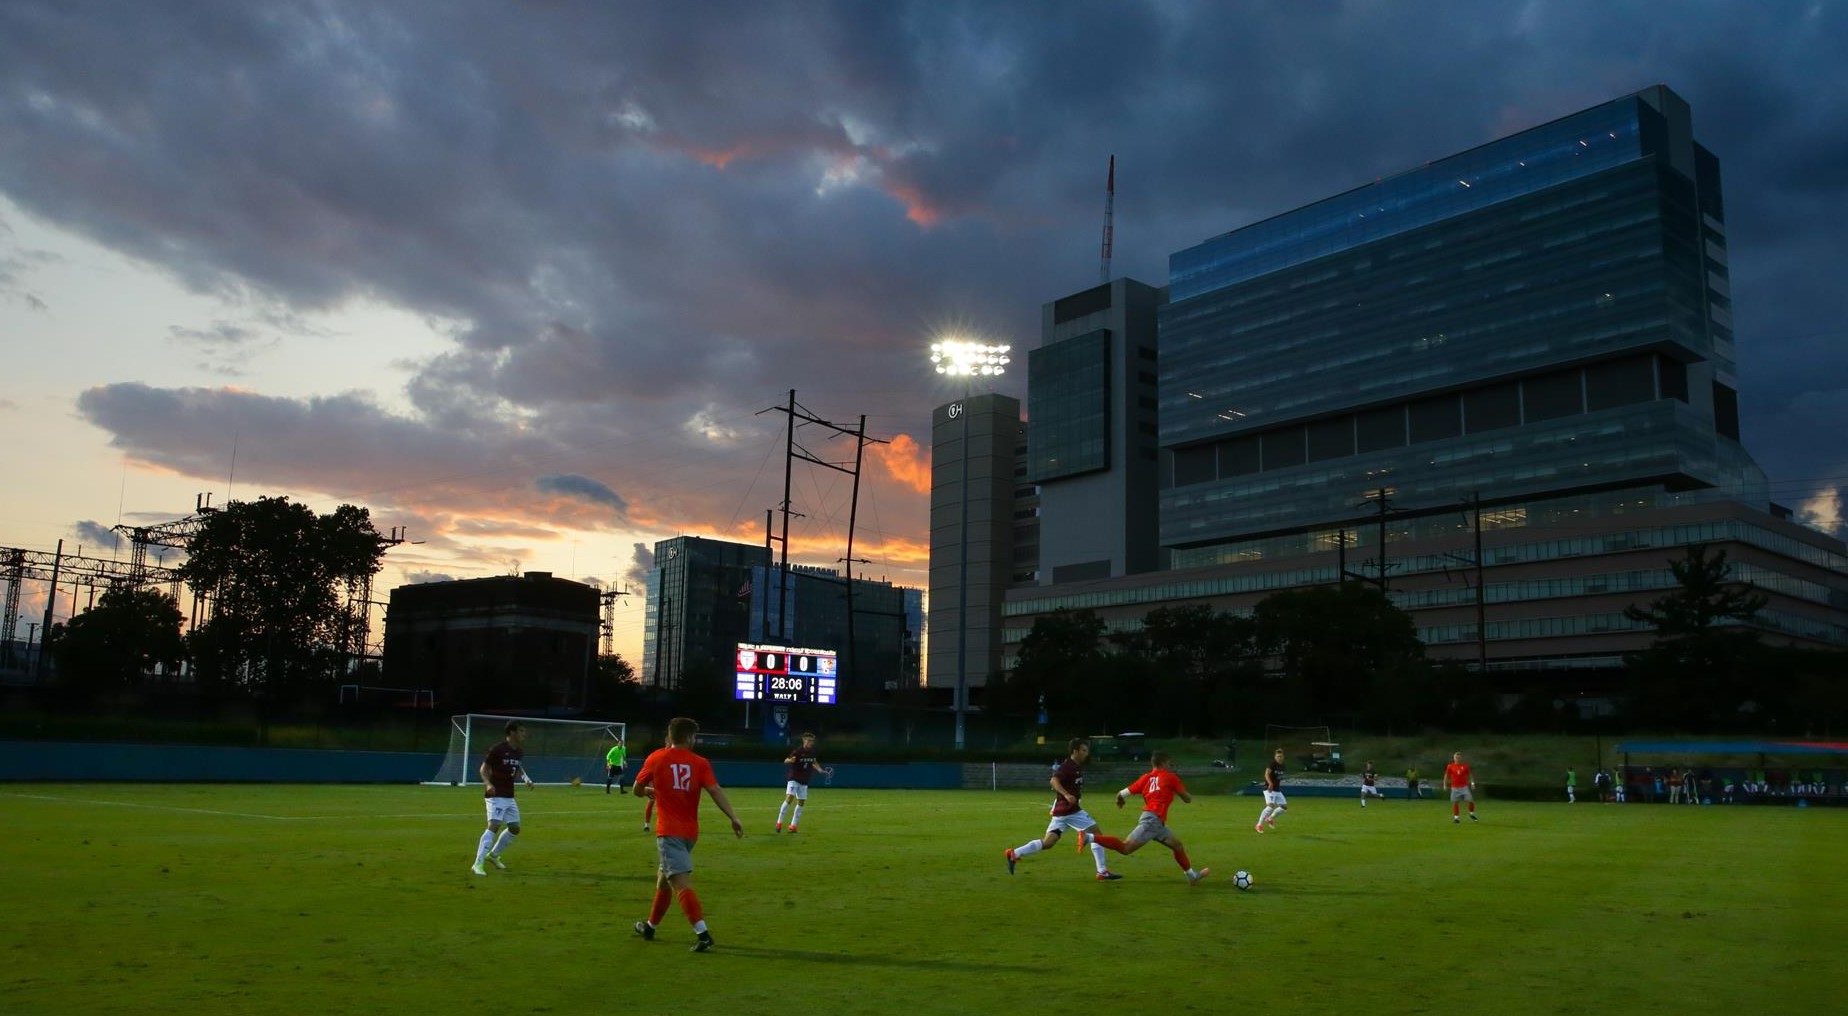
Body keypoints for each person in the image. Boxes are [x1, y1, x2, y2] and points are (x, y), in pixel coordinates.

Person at [631, 716, 745, 953]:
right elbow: (715, 790)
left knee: (680, 882)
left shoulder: (656, 758)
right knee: (663, 880)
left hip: (668, 832)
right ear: (690, 738)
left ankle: (703, 934)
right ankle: (650, 927)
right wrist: (733, 817)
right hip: (690, 834)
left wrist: (651, 790)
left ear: (670, 736)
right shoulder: (700, 762)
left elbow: (636, 789)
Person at [1077, 751, 1210, 884]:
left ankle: (1192, 877)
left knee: (1177, 846)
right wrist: (1183, 793)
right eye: (1169, 763)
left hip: (1156, 822)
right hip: (1152, 821)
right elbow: (1187, 799)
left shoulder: (1145, 778)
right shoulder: (1170, 777)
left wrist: (1120, 800)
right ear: (1163, 763)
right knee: (1126, 848)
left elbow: (1121, 793)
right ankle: (1088, 837)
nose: (1171, 766)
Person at [1003, 737, 1122, 881]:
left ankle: (1014, 853)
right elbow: (1053, 780)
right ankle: (1102, 871)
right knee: (1097, 834)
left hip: (1061, 812)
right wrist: (1066, 795)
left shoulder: (1076, 766)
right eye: (1084, 750)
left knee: (1048, 843)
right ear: (1075, 751)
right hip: (1071, 811)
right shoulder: (1068, 766)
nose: (1086, 753)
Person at [471, 719, 535, 875]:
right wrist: (488, 784)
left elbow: (517, 766)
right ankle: (478, 864)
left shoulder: (518, 751)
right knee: (494, 825)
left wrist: (525, 778)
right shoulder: (497, 749)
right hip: (495, 794)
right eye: (521, 731)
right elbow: (483, 769)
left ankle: (492, 855)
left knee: (515, 828)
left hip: (509, 795)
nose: (524, 734)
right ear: (512, 732)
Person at [774, 732, 834, 833]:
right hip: (794, 778)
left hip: (804, 779)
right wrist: (790, 761)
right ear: (804, 741)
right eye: (809, 740)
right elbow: (786, 760)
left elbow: (813, 762)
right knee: (789, 799)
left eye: (812, 741)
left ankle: (793, 825)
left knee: (801, 802)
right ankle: (779, 823)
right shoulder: (798, 751)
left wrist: (820, 770)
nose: (811, 742)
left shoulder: (813, 751)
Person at [1256, 748, 1287, 832]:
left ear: (1283, 757)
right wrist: (1270, 783)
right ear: (1275, 757)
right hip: (1269, 789)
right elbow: (1266, 774)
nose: (1279, 758)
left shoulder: (1283, 765)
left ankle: (1270, 818)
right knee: (1270, 806)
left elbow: (1279, 776)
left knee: (1284, 807)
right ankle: (1259, 825)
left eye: (1280, 756)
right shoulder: (1272, 764)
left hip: (1277, 790)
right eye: (1277, 756)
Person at [1444, 750, 1478, 823]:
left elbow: (1470, 775)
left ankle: (1471, 813)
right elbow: (1446, 776)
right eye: (1456, 757)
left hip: (1464, 787)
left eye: (1459, 758)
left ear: (1461, 758)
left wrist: (1472, 783)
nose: (1457, 759)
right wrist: (1445, 784)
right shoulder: (1450, 766)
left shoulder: (1465, 766)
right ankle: (1456, 818)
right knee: (1455, 802)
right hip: (1455, 787)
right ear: (1454, 758)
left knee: (1470, 800)